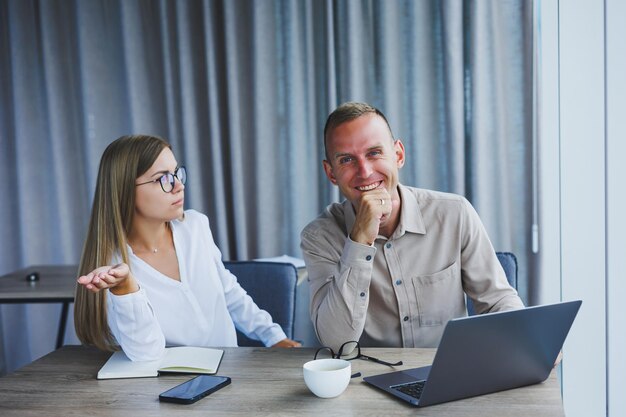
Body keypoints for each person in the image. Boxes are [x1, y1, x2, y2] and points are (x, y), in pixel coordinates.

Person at [300, 102, 524, 351]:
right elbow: (337, 343)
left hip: (448, 372)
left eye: (374, 153)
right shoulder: (319, 237)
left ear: (398, 155)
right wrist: (359, 241)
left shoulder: (454, 213)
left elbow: (497, 301)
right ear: (331, 173)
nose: (364, 171)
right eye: (347, 160)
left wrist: (527, 341)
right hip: (366, 379)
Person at [75, 134, 300, 361]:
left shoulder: (195, 226)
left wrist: (272, 336)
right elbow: (145, 354)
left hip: (229, 372)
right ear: (124, 189)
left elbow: (229, 291)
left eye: (175, 174)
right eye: (162, 178)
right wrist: (126, 290)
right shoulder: (114, 270)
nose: (178, 186)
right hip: (169, 385)